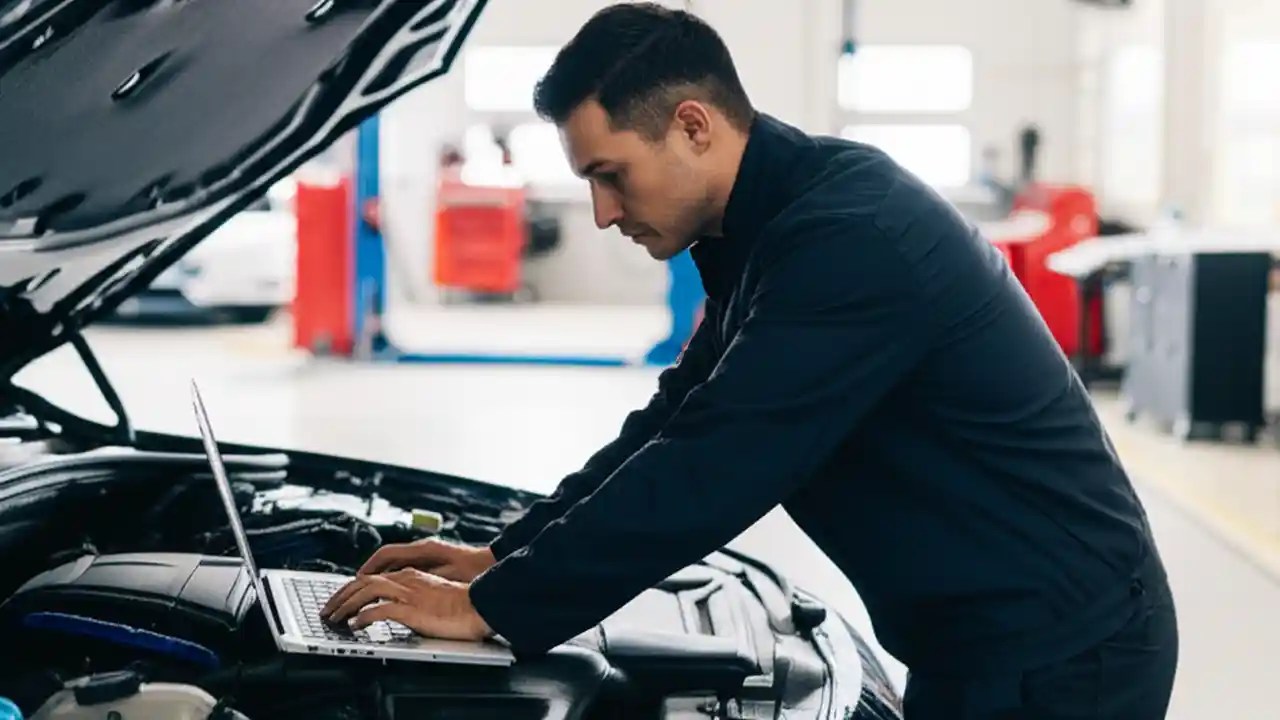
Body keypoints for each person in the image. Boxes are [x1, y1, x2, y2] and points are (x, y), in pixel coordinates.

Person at [322, 3, 1178, 717]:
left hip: (1065, 647)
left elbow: (717, 463)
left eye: (612, 174)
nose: (602, 212)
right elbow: (676, 419)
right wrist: (503, 559)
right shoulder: (767, 224)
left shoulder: (851, 241)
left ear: (692, 125)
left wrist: (493, 610)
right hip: (980, 634)